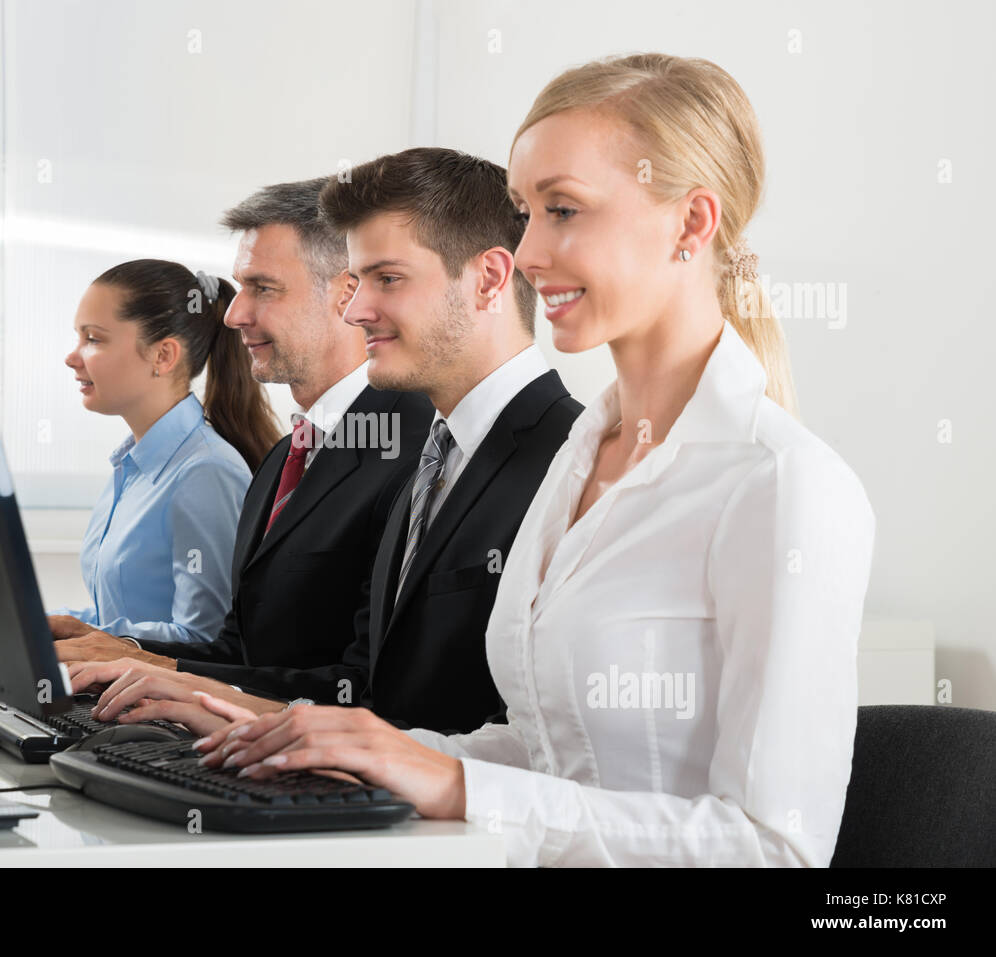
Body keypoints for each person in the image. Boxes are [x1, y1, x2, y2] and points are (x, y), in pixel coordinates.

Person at [123, 53, 877, 868]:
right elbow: (550, 756)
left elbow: (776, 847)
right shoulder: (582, 459)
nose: (525, 252)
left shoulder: (780, 484)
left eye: (562, 210)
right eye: (523, 214)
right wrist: (347, 743)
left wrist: (451, 784)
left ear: (691, 224)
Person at [76, 148, 585, 735]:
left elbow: (536, 741)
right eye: (359, 281)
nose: (358, 308)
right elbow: (366, 687)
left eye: (386, 278)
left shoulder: (571, 460)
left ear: (490, 279)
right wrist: (159, 672)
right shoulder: (435, 451)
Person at [55, 178, 431, 700]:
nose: (233, 315)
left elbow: (366, 686)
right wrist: (129, 654)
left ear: (346, 293)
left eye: (263, 287)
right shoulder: (285, 457)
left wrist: (157, 670)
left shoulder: (414, 449)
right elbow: (241, 652)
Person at [46, 259, 279, 650]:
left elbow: (204, 640)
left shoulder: (205, 472)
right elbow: (122, 617)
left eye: (94, 339)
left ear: (163, 356)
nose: (73, 357)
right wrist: (50, 624)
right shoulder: (131, 465)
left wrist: (90, 639)